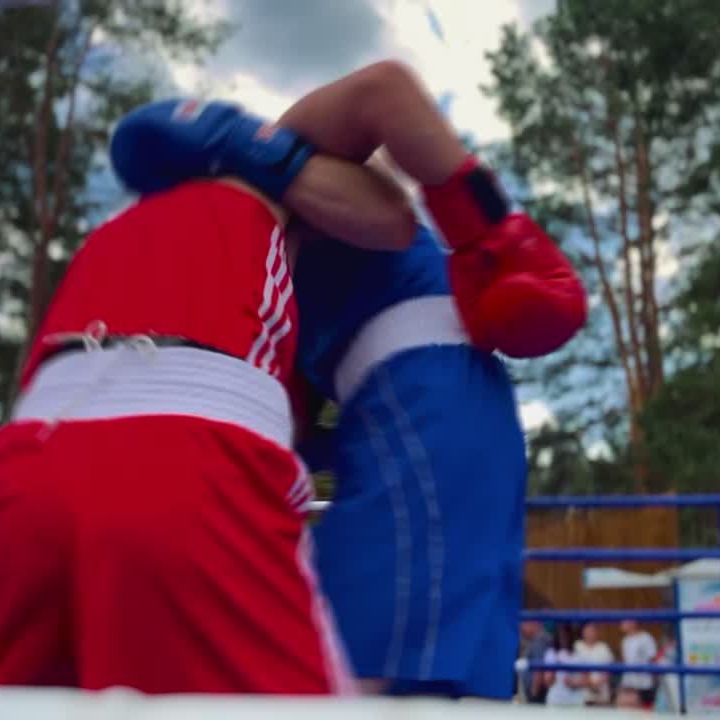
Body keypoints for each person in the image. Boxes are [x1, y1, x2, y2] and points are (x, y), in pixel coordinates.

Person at [116, 60, 585, 701]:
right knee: (427, 686)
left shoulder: (266, 158)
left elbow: (386, 98)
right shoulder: (241, 289)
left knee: (339, 669)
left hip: (426, 406)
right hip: (420, 418)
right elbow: (290, 435)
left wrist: (490, 233)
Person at [0, 83, 423, 693]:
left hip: (25, 467)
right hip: (186, 465)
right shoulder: (264, 188)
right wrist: (483, 213)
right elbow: (391, 214)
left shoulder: (126, 230)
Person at [541, 623, 585, 706]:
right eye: (561, 635)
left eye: (565, 635)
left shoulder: (579, 654)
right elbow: (547, 682)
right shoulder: (551, 654)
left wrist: (574, 683)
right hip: (556, 700)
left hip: (575, 701)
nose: (563, 638)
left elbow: (587, 680)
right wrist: (554, 669)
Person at [619, 619, 659, 708]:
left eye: (624, 621)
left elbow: (653, 659)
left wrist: (655, 679)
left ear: (633, 623)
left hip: (644, 683)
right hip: (629, 682)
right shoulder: (625, 640)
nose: (622, 624)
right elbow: (626, 661)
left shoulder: (646, 638)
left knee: (644, 712)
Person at [573, 622, 614, 706]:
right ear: (583, 632)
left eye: (592, 630)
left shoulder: (604, 647)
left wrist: (597, 684)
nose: (590, 633)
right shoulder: (576, 646)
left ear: (597, 632)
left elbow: (609, 669)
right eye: (587, 630)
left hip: (601, 695)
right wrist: (589, 684)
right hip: (581, 695)